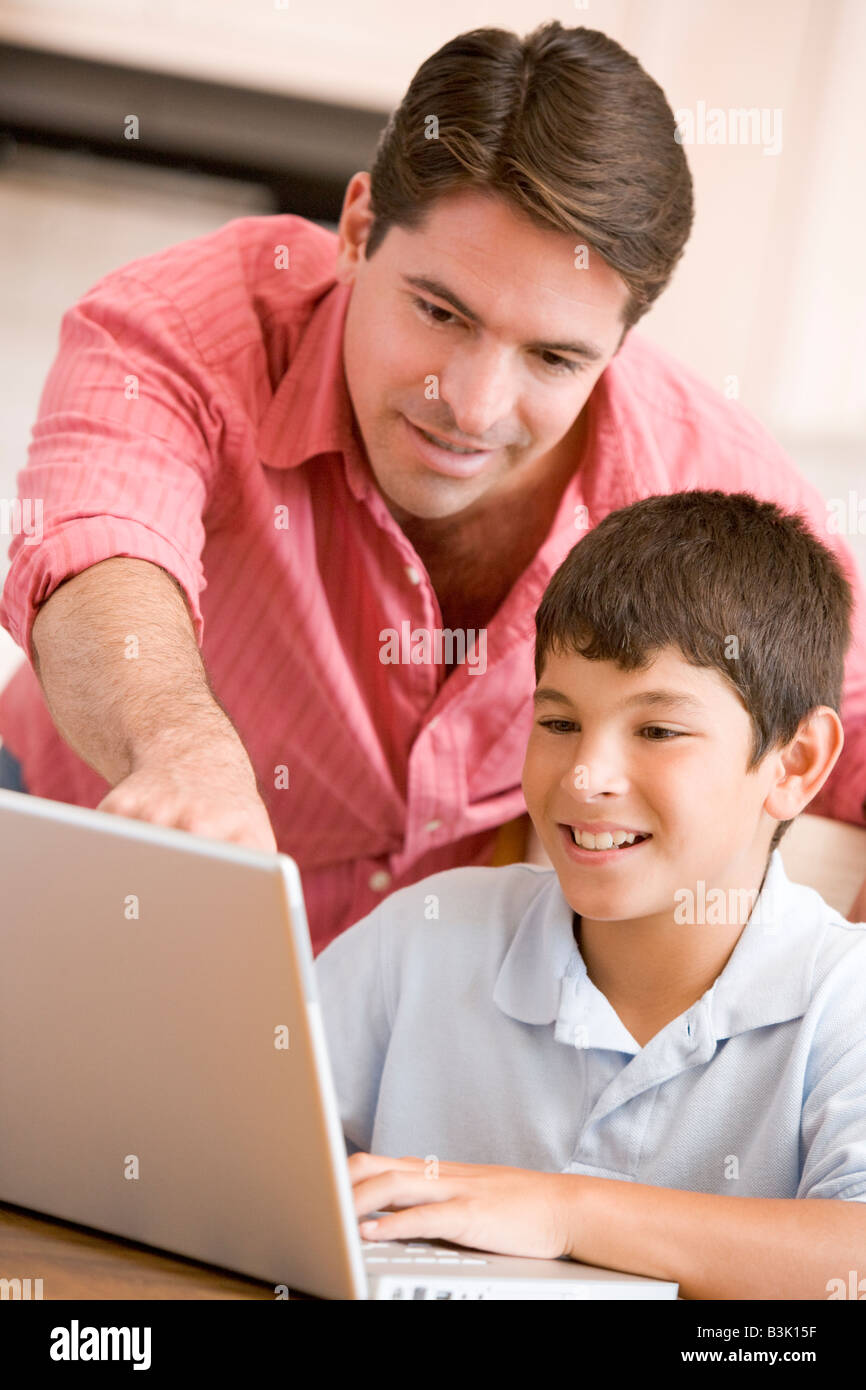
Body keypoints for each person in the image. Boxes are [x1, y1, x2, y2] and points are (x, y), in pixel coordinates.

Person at [2, 23, 866, 953]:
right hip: (93, 864)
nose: (472, 406)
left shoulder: (699, 468)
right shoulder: (185, 325)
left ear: (620, 343)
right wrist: (180, 751)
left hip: (412, 986)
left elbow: (848, 717)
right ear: (357, 229)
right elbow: (99, 547)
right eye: (440, 311)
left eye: (554, 358)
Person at [316, 491, 866, 1300]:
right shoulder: (422, 937)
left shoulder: (844, 998)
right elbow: (232, 1144)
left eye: (658, 731)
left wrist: (564, 1213)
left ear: (794, 763)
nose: (585, 777)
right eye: (560, 723)